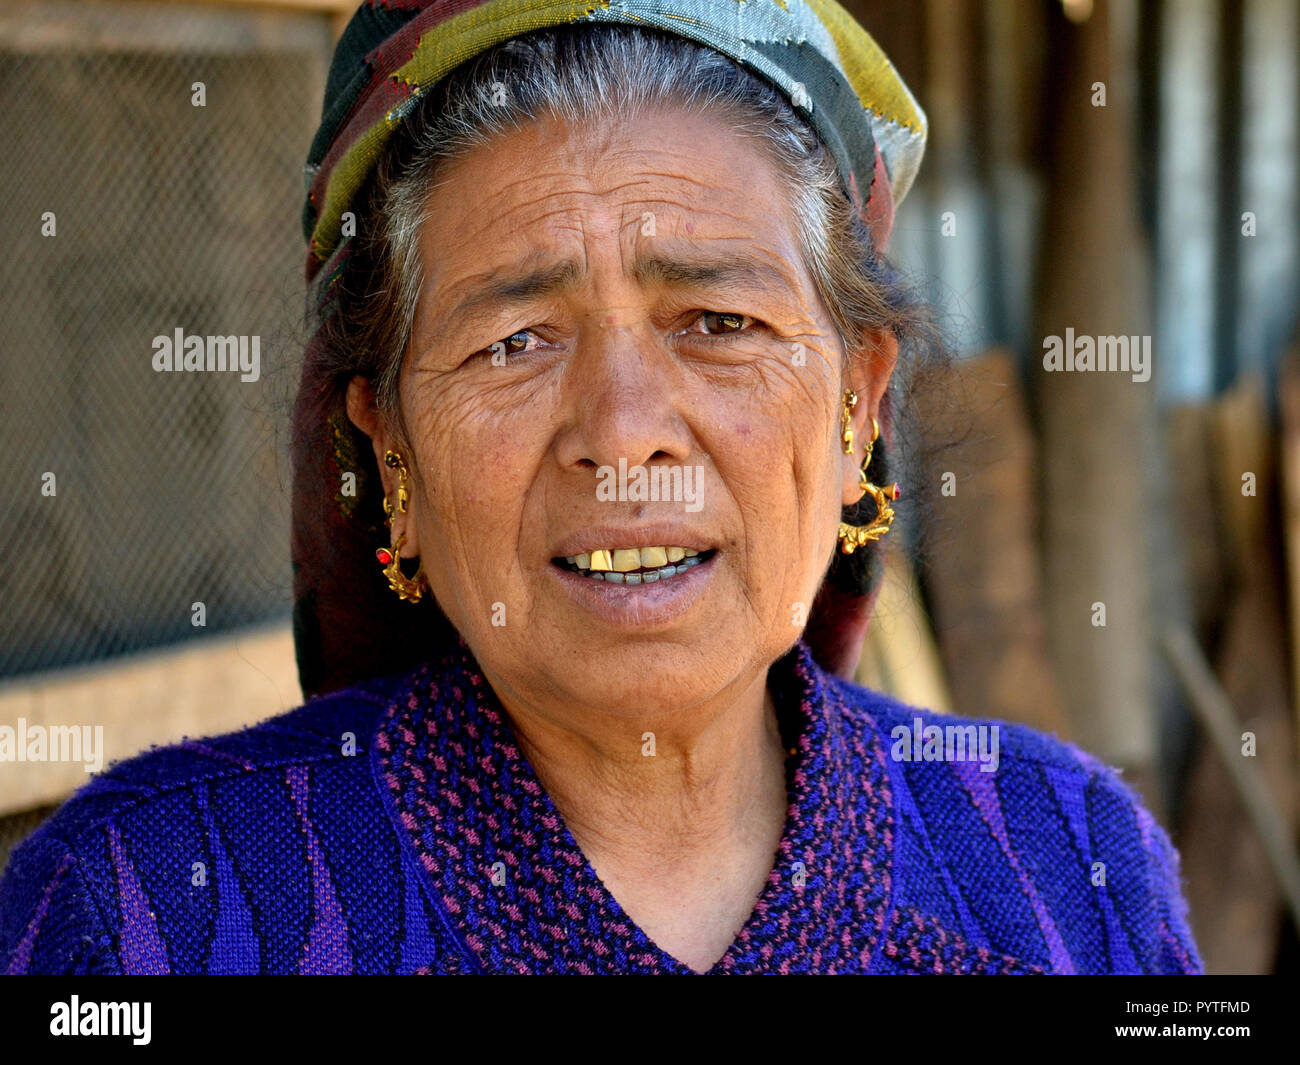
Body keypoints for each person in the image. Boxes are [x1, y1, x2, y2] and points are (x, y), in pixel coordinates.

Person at [0, 0, 1201, 974]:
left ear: (856, 413)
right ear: (392, 460)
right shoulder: (150, 911)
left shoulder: (1066, 864)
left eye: (719, 321)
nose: (623, 436)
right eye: (514, 341)